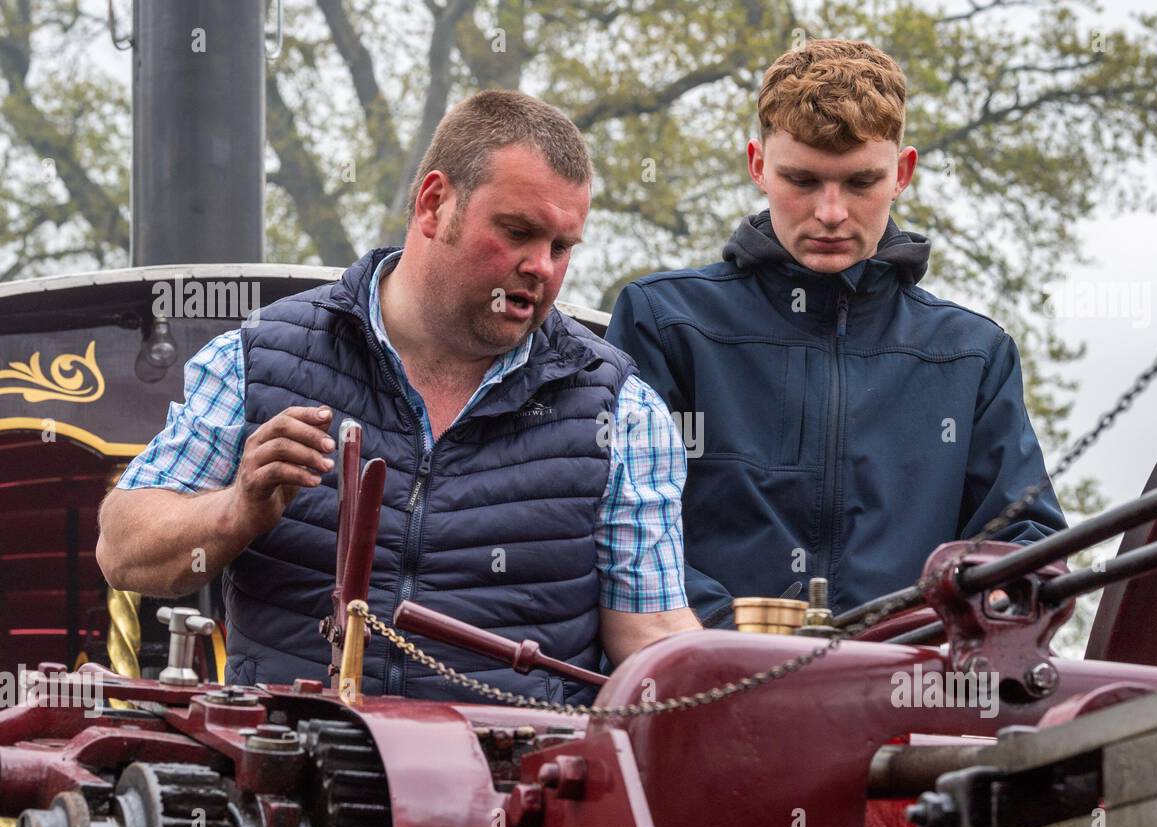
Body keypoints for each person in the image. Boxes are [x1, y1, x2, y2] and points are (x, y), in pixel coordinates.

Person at [97, 90, 698, 704]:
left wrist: (757, 696)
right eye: (518, 232)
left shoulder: (621, 409)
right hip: (286, 780)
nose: (541, 267)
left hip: (509, 792)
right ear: (435, 204)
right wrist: (235, 510)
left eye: (562, 247)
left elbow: (651, 638)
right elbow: (122, 548)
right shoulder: (259, 359)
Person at [606, 39, 1066, 627]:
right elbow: (622, 528)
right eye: (801, 180)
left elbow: (1027, 540)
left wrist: (993, 600)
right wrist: (744, 640)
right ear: (757, 166)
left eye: (858, 183)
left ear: (901, 174)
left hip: (906, 692)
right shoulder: (664, 323)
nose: (829, 213)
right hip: (705, 685)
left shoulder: (972, 355)